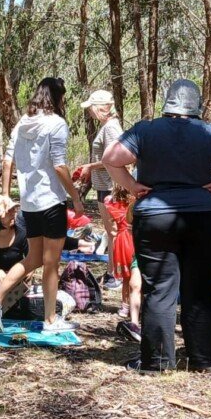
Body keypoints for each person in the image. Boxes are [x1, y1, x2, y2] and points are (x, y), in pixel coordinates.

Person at [102, 78, 211, 372]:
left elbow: (111, 158)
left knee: (159, 288)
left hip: (155, 218)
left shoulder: (146, 130)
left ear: (167, 103)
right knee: (201, 289)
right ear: (197, 107)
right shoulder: (210, 132)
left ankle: (158, 361)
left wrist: (133, 185)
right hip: (202, 218)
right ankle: (203, 359)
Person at [0, 77, 85, 333]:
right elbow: (59, 165)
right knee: (51, 262)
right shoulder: (57, 124)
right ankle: (50, 320)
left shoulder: (22, 124)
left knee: (34, 257)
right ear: (58, 98)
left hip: (30, 204)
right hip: (51, 202)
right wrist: (77, 197)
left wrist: (5, 194)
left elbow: (7, 160)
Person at [77, 89, 124, 289]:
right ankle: (112, 271)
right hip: (103, 185)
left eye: (92, 108)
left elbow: (116, 158)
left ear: (102, 108)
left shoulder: (111, 128)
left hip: (110, 186)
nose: (90, 113)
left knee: (113, 231)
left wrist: (90, 166)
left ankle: (116, 274)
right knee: (110, 231)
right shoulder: (106, 127)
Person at [105, 183, 142, 342]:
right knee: (136, 276)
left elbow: (112, 230)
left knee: (127, 277)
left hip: (121, 240)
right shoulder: (136, 203)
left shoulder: (112, 204)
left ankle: (125, 306)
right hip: (133, 240)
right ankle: (135, 308)